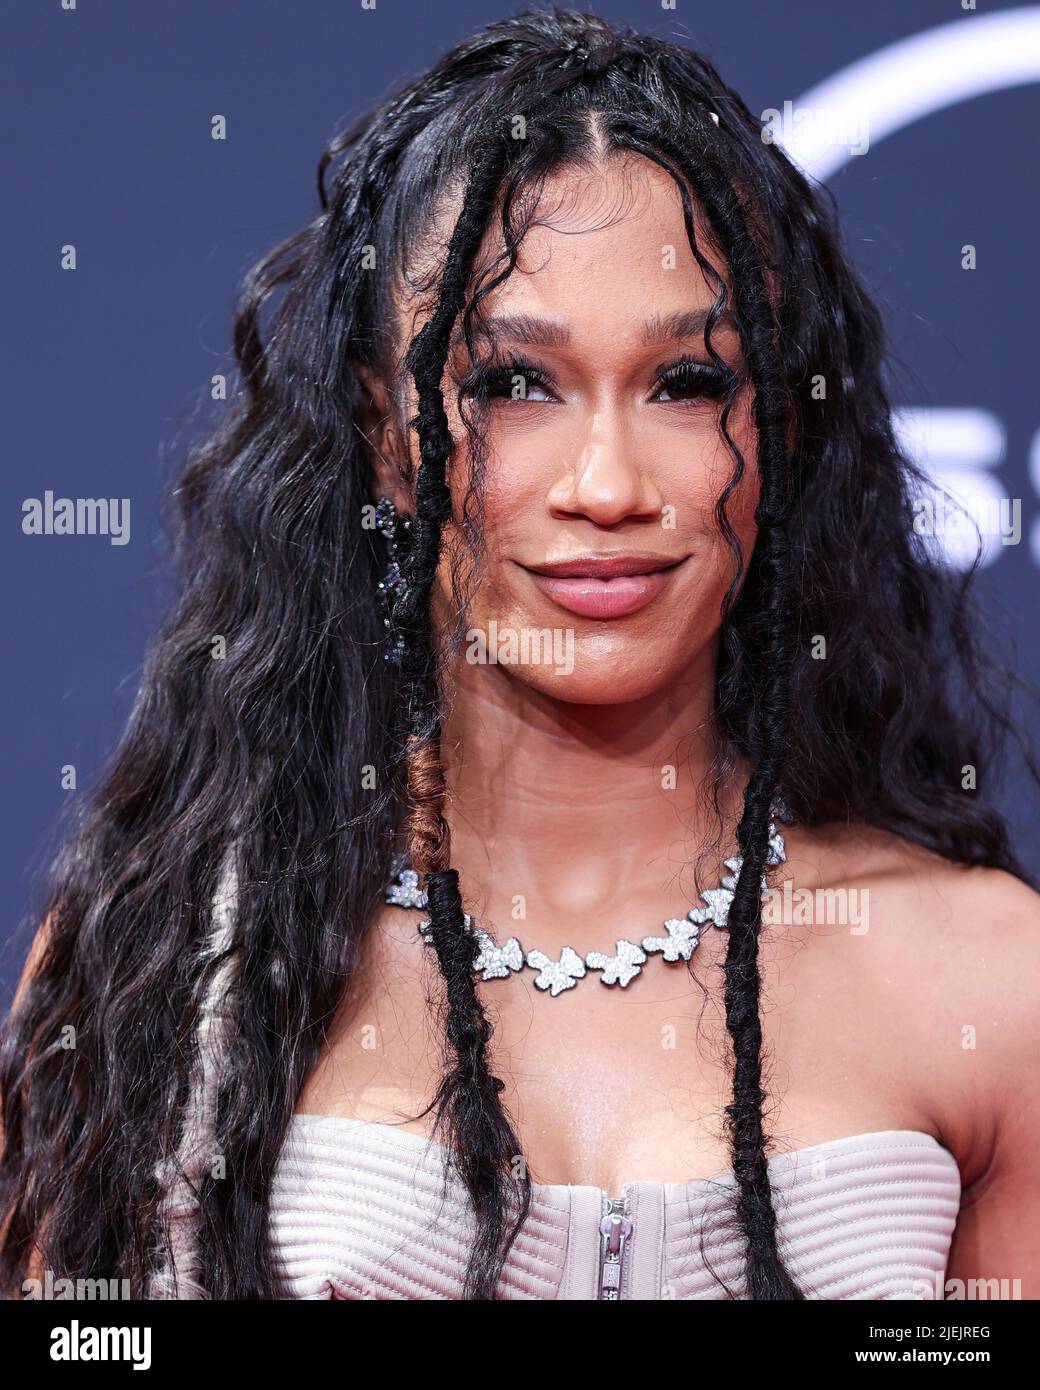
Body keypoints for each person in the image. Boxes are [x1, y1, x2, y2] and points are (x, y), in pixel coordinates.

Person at [2, 7, 1038, 1302]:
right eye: (509, 384)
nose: (608, 484)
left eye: (689, 381)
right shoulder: (167, 957)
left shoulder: (990, 980)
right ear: (384, 433)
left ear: (775, 428)